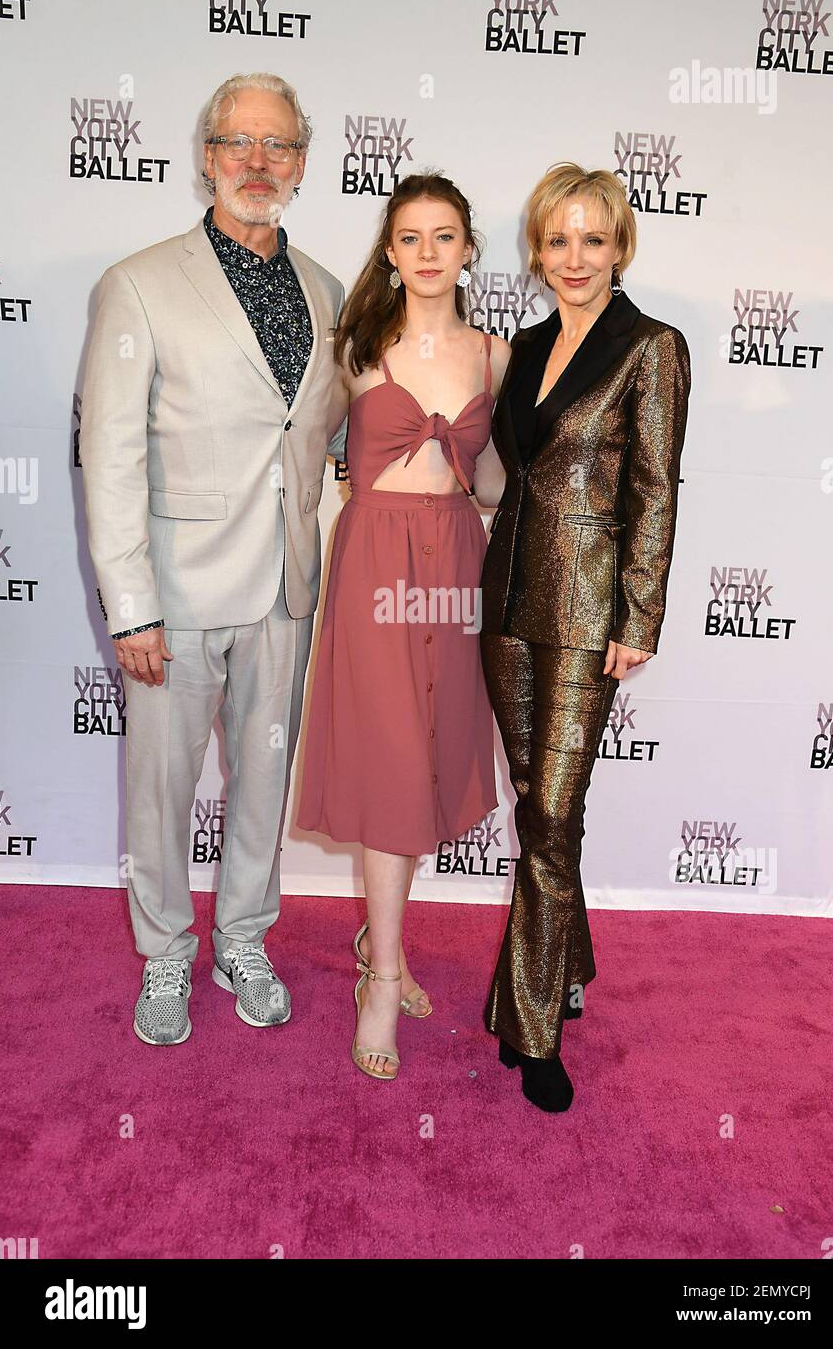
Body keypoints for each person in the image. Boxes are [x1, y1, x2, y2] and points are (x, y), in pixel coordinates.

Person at [80, 73, 348, 1045]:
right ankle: (163, 953)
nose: (255, 161)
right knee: (161, 785)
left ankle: (242, 934)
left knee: (262, 779)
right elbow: (108, 455)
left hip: (284, 589)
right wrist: (129, 605)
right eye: (237, 141)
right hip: (177, 594)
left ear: (302, 163)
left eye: (276, 145)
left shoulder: (327, 292)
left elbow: (330, 436)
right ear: (205, 155)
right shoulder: (138, 283)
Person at [477, 162, 692, 1111]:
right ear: (538, 248)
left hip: (589, 612)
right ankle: (563, 964)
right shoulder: (521, 347)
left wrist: (638, 615)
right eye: (558, 240)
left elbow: (654, 486)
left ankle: (530, 1030)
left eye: (593, 240)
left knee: (553, 816)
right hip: (509, 600)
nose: (575, 258)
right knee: (537, 804)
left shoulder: (652, 348)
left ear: (620, 247)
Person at [296, 173, 511, 1080]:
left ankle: (388, 951)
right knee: (388, 757)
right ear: (389, 250)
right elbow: (302, 450)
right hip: (377, 559)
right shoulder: (354, 349)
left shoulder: (495, 358)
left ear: (468, 249)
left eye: (445, 236)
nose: (428, 253)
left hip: (456, 559)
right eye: (411, 237)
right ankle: (380, 976)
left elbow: (493, 477)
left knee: (426, 752)